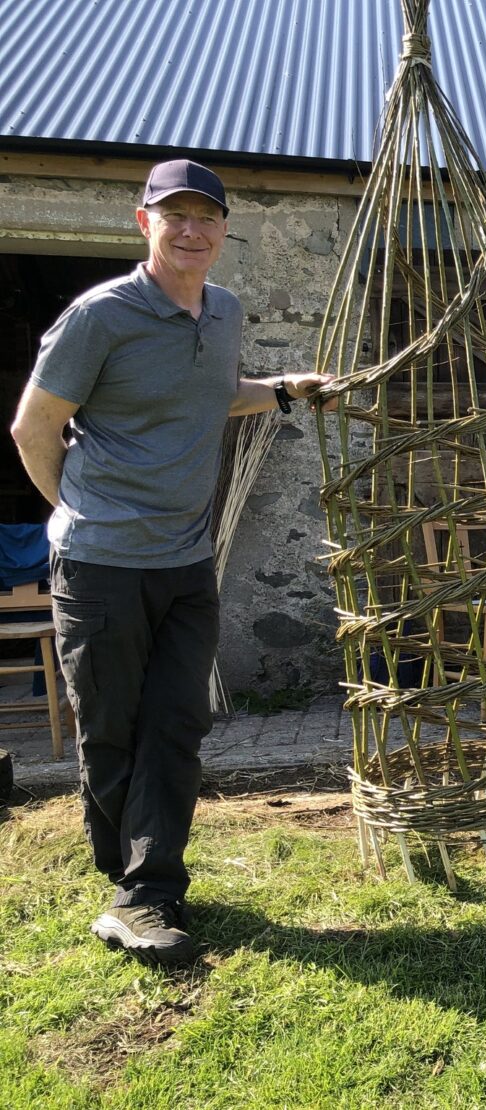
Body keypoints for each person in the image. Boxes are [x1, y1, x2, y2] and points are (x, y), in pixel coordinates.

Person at [9, 159, 333, 963]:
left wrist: (283, 389)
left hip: (187, 560)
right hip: (102, 564)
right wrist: (78, 512)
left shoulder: (222, 311)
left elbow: (210, 393)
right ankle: (129, 876)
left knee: (177, 721)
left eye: (205, 218)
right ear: (143, 222)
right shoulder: (101, 315)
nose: (191, 231)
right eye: (174, 216)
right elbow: (33, 427)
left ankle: (147, 888)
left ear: (223, 229)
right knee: (112, 725)